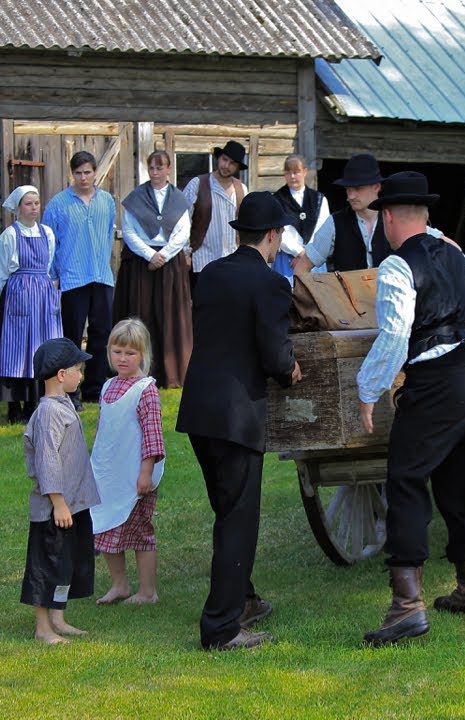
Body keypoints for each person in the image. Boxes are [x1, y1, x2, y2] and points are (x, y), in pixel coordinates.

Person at [356, 172, 465, 647]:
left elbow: (394, 336)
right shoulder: (456, 254)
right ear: (426, 215)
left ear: (390, 217)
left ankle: (406, 607)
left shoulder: (397, 267)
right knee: (458, 485)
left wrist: (368, 389)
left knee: (407, 480)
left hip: (437, 383)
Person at [176, 192, 302, 651]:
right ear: (272, 237)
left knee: (227, 511)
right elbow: (273, 353)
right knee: (237, 519)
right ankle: (222, 627)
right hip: (237, 416)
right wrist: (289, 370)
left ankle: (244, 599)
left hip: (199, 409)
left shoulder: (210, 275)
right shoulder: (271, 283)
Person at [21, 337, 100, 645]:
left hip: (72, 505)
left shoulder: (63, 404)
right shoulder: (48, 413)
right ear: (61, 375)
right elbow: (47, 460)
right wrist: (58, 503)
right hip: (55, 509)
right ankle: (43, 628)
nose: (81, 376)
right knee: (48, 563)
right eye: (78, 370)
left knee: (66, 561)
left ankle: (58, 618)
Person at [91, 318, 165, 606]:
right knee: (107, 524)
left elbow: (152, 435)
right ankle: (119, 585)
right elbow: (104, 429)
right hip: (110, 473)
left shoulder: (145, 390)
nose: (122, 358)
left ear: (142, 354)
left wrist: (145, 472)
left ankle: (148, 591)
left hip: (135, 476)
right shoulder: (108, 387)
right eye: (117, 351)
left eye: (130, 353)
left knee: (139, 531)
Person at [114, 150, 193, 388]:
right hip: (142, 262)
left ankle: (172, 371)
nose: (156, 172)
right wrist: (150, 254)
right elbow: (129, 231)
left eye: (160, 168)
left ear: (169, 169)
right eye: (152, 168)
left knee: (170, 315)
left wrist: (164, 255)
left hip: (170, 262)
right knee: (143, 313)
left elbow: (183, 232)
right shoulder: (136, 197)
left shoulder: (179, 199)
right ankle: (142, 368)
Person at [44, 151, 116, 405]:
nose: (83, 177)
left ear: (95, 172)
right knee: (72, 337)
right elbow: (49, 243)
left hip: (101, 277)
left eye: (87, 172)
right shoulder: (58, 204)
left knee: (101, 335)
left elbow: (108, 235)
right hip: (72, 280)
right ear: (71, 174)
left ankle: (95, 389)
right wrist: (53, 276)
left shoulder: (107, 201)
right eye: (78, 173)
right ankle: (70, 392)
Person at [0, 185, 62, 423]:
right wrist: (11, 298)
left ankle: (35, 400)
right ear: (18, 208)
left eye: (37, 203)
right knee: (17, 348)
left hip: (42, 295)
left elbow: (48, 264)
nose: (34, 208)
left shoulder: (47, 233)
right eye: (28, 204)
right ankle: (14, 405)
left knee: (40, 345)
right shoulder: (9, 235)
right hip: (18, 297)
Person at [293, 152, 388, 273]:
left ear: (376, 187)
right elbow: (301, 268)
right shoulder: (335, 223)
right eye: (348, 189)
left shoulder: (392, 220)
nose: (351, 196)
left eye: (358, 188)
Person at [182, 140, 247, 291]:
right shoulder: (198, 184)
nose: (226, 165)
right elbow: (183, 221)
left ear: (237, 167)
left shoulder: (242, 190)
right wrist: (185, 253)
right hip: (202, 260)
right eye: (224, 159)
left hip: (233, 263)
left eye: (232, 163)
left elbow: (246, 226)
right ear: (219, 158)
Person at [272, 154, 329, 285]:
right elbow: (279, 232)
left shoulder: (319, 199)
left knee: (316, 299)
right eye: (288, 172)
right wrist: (299, 252)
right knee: (288, 298)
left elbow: (323, 229)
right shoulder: (277, 199)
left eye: (296, 172)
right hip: (287, 261)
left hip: (314, 259)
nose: (292, 176)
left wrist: (308, 255)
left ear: (305, 171)